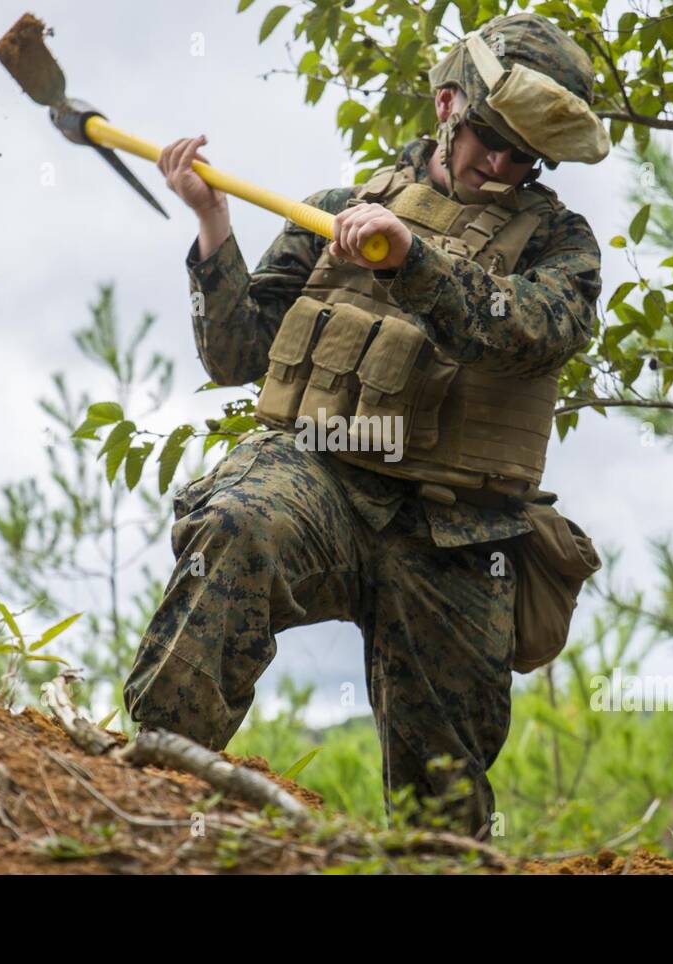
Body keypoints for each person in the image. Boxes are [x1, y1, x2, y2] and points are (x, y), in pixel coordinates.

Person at [124, 12, 608, 838]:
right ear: (450, 105)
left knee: (442, 812)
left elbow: (537, 330)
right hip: (322, 481)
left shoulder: (559, 241)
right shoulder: (340, 208)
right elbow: (238, 352)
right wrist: (212, 224)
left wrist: (414, 261)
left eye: (526, 155)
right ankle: (154, 793)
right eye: (491, 139)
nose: (503, 164)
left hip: (456, 532)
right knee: (238, 523)